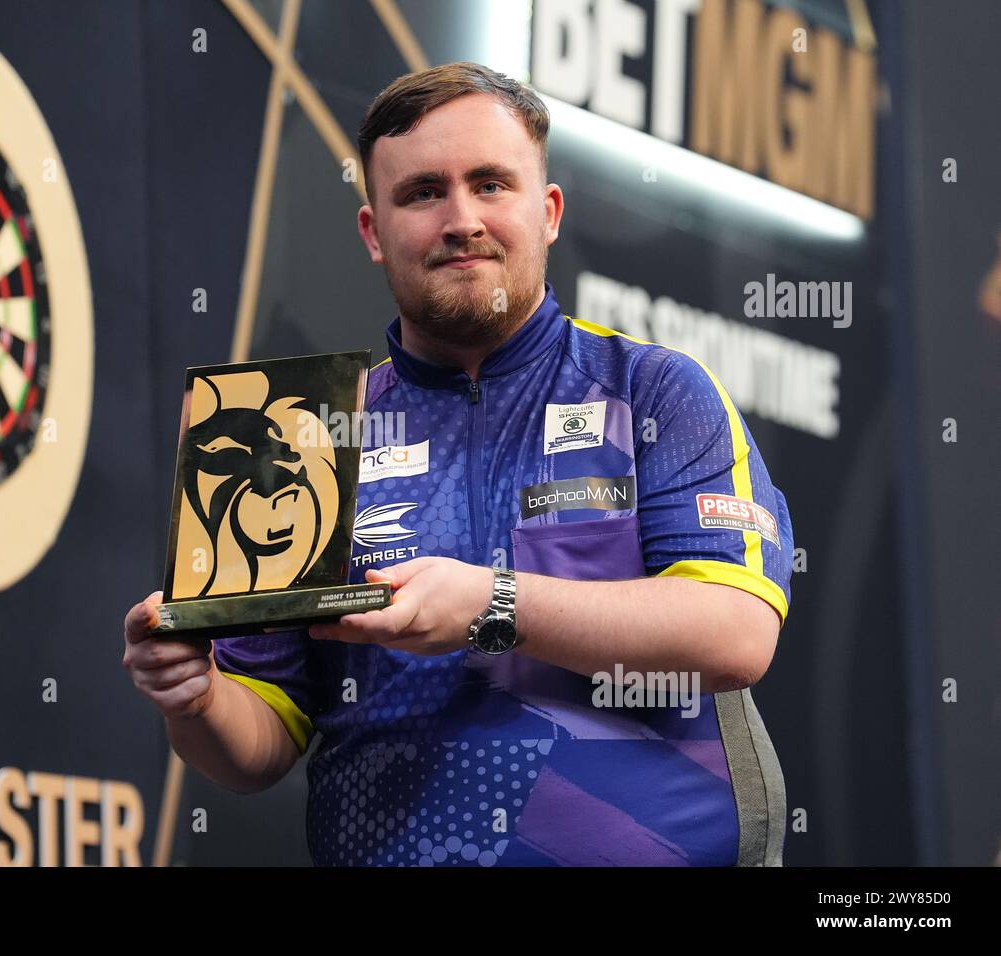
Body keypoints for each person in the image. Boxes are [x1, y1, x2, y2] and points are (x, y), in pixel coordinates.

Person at [124, 62, 793, 867]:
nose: (461, 219)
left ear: (546, 213)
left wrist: (493, 602)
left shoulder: (655, 390)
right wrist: (194, 698)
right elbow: (257, 744)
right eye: (423, 193)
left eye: (490, 184)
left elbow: (736, 631)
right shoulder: (303, 436)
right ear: (374, 232)